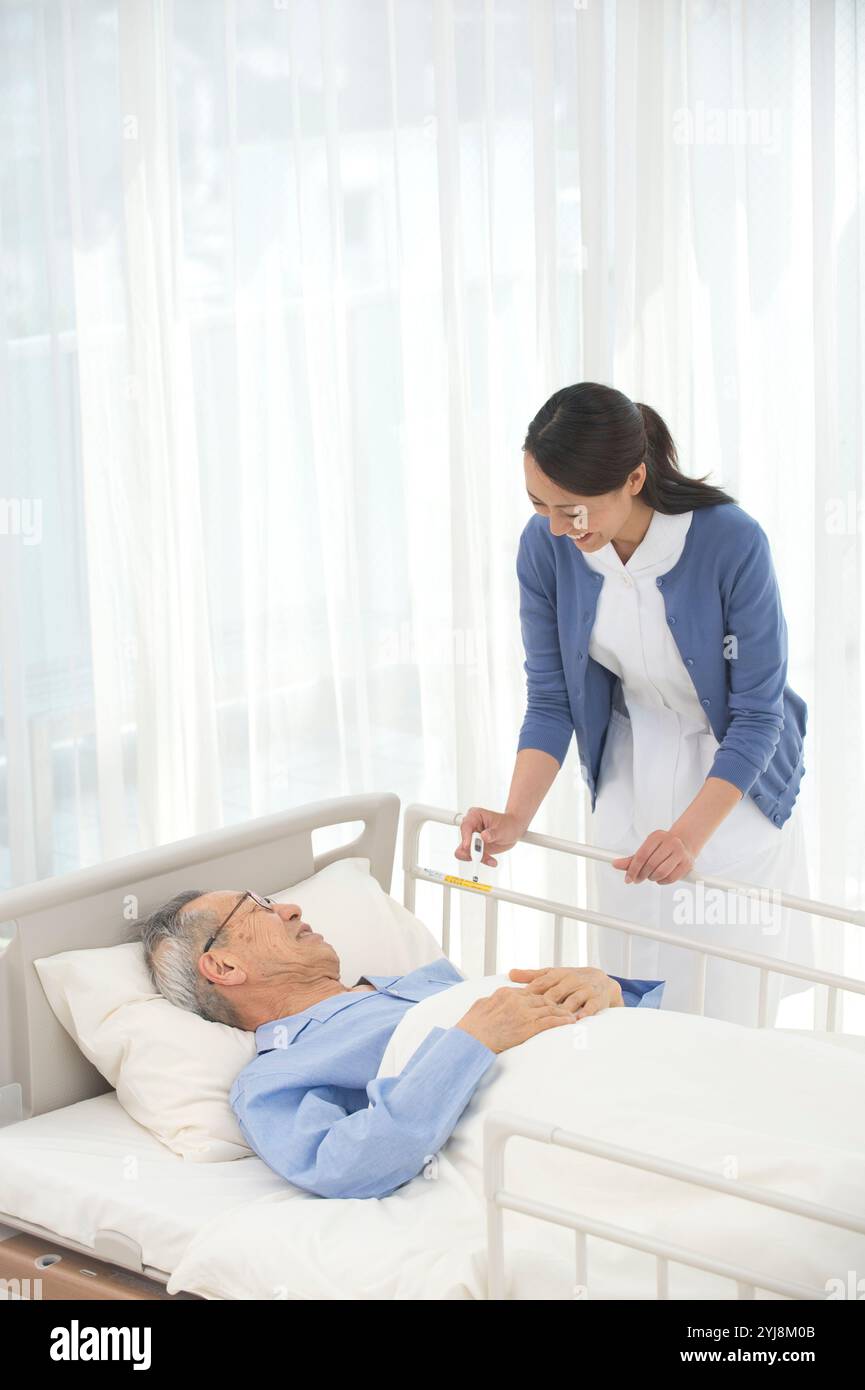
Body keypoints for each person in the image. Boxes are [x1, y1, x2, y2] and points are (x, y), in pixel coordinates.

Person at [457, 381, 813, 1026]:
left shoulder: (729, 541)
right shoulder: (546, 548)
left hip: (734, 780)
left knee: (726, 1000)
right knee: (631, 994)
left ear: (634, 478)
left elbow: (760, 713)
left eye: (575, 511)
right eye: (540, 504)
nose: (558, 528)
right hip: (628, 765)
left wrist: (687, 835)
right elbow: (552, 698)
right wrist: (514, 816)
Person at [139, 887, 663, 1198]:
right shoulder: (275, 1077)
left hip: (639, 1066)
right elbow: (347, 1166)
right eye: (258, 908)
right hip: (592, 1129)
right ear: (224, 966)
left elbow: (566, 1021)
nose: (292, 909)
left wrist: (604, 989)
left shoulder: (423, 982)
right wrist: (471, 1041)